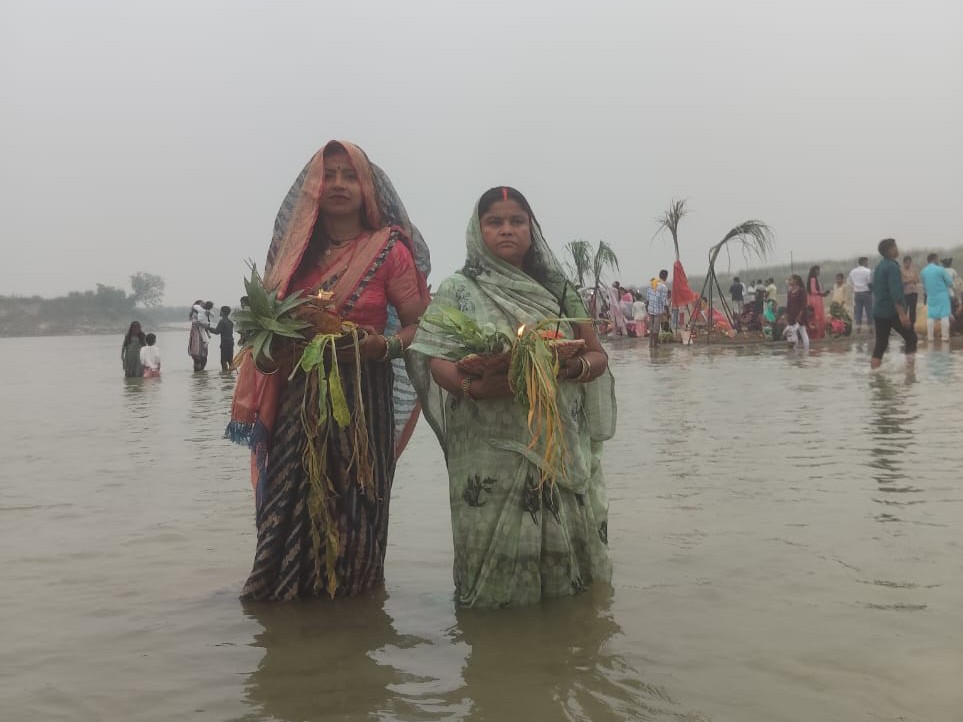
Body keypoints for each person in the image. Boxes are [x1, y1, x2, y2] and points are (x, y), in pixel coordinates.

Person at [226, 140, 431, 601]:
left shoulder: (388, 250)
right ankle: (279, 594)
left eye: (350, 175)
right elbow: (266, 335)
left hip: (363, 400)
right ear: (314, 187)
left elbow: (422, 323)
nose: (338, 184)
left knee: (356, 508)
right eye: (329, 175)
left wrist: (383, 346)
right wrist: (268, 346)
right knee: (287, 501)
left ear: (368, 188)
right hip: (299, 403)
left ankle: (352, 615)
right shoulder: (292, 258)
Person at [407, 186, 615, 608]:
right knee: (489, 585)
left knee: (565, 592)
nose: (507, 230)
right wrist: (474, 387)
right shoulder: (458, 290)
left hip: (556, 443)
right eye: (495, 222)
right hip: (487, 450)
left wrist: (567, 367)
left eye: (517, 221)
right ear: (477, 229)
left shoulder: (558, 290)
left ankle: (562, 632)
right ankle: (493, 637)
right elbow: (435, 360)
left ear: (531, 229)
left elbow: (596, 355)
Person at [870, 238, 916, 370]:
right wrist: (902, 315)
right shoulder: (892, 266)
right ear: (890, 250)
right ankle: (910, 372)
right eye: (895, 246)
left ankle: (874, 373)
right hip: (892, 312)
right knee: (911, 338)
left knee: (881, 344)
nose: (898, 249)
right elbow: (895, 292)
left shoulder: (879, 266)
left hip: (879, 311)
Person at [920, 253, 953, 342]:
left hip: (931, 296)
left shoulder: (923, 271)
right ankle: (945, 337)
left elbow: (924, 285)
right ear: (935, 259)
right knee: (944, 315)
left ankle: (930, 337)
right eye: (937, 259)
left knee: (931, 316)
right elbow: (949, 282)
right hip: (942, 296)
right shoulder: (940, 269)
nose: (938, 261)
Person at [848, 257, 873, 333]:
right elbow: (870, 282)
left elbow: (849, 282)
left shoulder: (853, 271)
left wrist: (855, 287)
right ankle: (870, 328)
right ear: (864, 262)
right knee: (869, 311)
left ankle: (858, 328)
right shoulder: (868, 271)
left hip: (857, 293)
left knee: (858, 311)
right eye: (867, 262)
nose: (867, 263)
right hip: (866, 292)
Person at [784, 274, 809, 350]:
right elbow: (788, 304)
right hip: (792, 314)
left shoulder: (801, 290)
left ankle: (806, 349)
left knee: (802, 331)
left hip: (800, 314)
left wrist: (800, 315)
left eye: (790, 279)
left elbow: (803, 304)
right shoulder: (790, 292)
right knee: (793, 333)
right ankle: (795, 350)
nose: (789, 281)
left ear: (795, 281)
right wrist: (786, 315)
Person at [646, 270, 670, 347]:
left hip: (650, 309)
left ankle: (650, 344)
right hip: (658, 310)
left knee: (651, 328)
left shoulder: (652, 283)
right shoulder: (663, 287)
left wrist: (647, 308)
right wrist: (668, 312)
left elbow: (648, 297)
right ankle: (655, 345)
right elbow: (664, 301)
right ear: (666, 277)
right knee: (656, 328)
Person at [806, 265, 830, 340]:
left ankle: (819, 333)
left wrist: (823, 294)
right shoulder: (813, 279)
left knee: (818, 316)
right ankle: (818, 333)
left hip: (816, 298)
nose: (819, 272)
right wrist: (822, 294)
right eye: (817, 270)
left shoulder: (814, 279)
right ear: (814, 271)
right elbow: (813, 291)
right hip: (815, 299)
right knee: (817, 316)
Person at [210, 305, 235, 371]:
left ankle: (225, 376)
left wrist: (208, 328)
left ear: (223, 312)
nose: (220, 312)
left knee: (223, 361)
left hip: (225, 343)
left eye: (221, 311)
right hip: (231, 342)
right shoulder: (230, 322)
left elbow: (216, 331)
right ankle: (231, 377)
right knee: (230, 361)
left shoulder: (222, 321)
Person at [188, 300, 210, 371]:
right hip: (196, 337)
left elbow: (207, 325)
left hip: (203, 337)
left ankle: (200, 376)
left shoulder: (205, 314)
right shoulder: (195, 314)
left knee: (204, 357)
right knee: (197, 357)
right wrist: (204, 324)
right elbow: (196, 322)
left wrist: (208, 333)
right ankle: (198, 375)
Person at [900, 256, 921, 329]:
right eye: (906, 262)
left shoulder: (914, 270)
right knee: (905, 309)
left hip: (914, 292)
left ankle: (912, 325)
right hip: (905, 293)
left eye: (909, 262)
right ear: (904, 263)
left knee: (913, 310)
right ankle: (903, 324)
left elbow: (917, 280)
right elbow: (902, 281)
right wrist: (911, 280)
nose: (908, 264)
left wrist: (909, 280)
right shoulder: (901, 271)